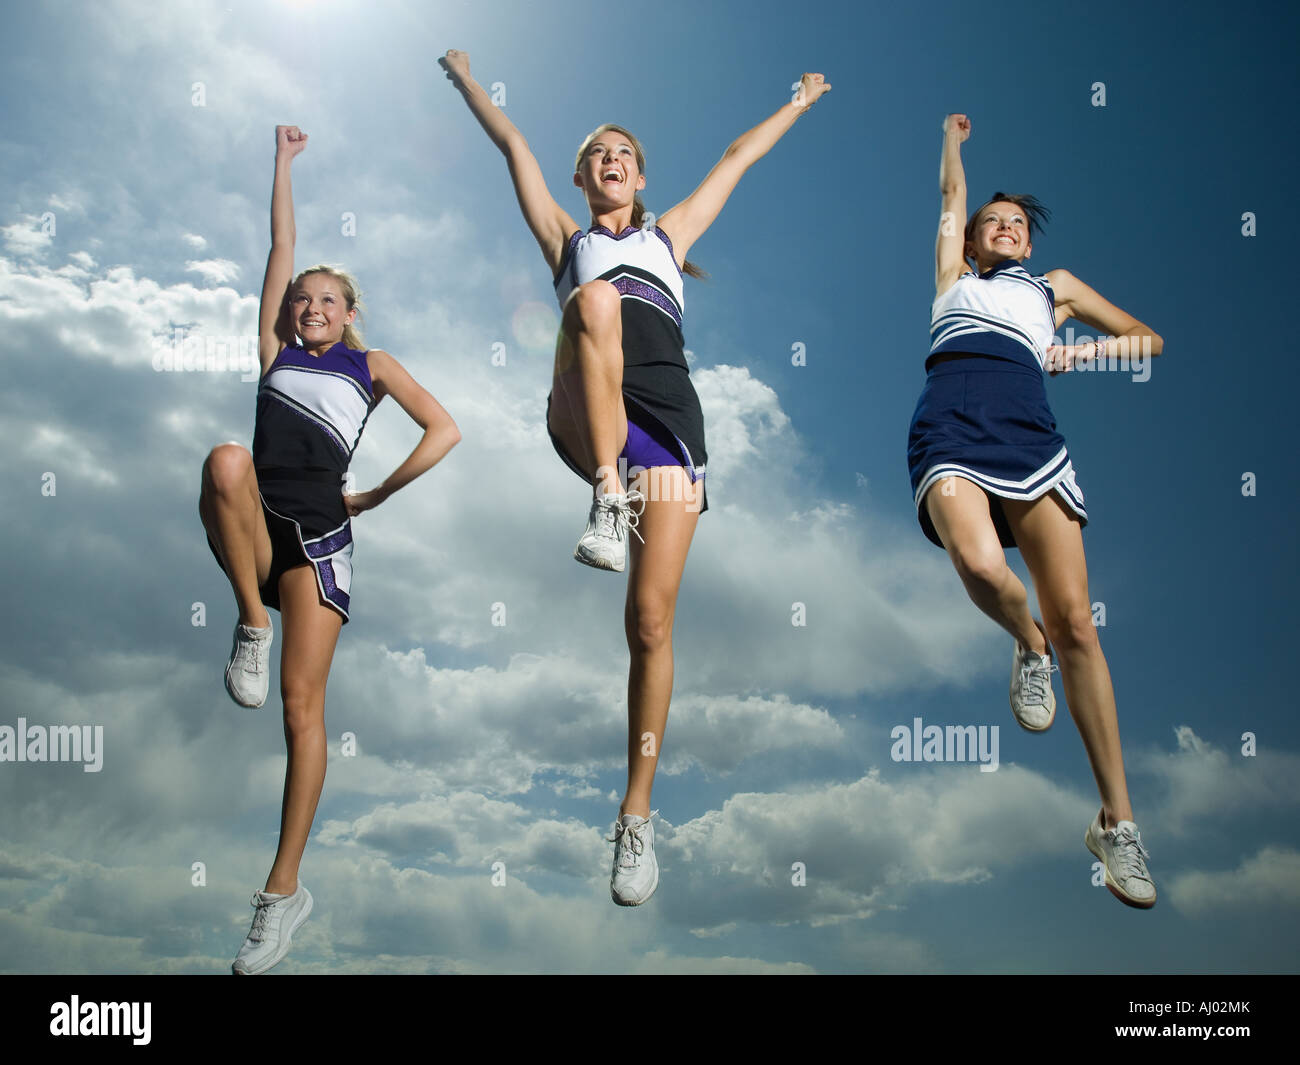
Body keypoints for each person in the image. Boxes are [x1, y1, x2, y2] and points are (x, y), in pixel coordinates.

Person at [440, 49, 829, 905]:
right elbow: (514, 148)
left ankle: (636, 816)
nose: (610, 161)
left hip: (671, 423)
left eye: (623, 153)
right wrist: (469, 79)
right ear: (582, 177)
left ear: (640, 174)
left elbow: (736, 159)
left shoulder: (667, 236)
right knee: (596, 302)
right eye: (596, 155)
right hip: (587, 415)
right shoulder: (566, 242)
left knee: (650, 624)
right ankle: (607, 493)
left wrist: (798, 101)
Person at [199, 125, 461, 972]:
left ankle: (281, 894)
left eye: (327, 301)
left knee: (300, 711)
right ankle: (249, 620)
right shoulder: (273, 351)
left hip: (320, 539)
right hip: (256, 525)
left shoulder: (369, 364)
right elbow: (280, 242)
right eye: (301, 299)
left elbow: (445, 428)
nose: (310, 308)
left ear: (349, 314)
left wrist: (378, 491)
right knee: (226, 460)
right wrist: (280, 161)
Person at [908, 113, 1164, 908]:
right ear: (975, 240)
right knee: (982, 566)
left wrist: (1082, 350)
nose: (1007, 228)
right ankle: (1026, 643)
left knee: (1080, 624)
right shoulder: (953, 277)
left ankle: (1117, 823)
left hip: (1031, 436)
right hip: (950, 423)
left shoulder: (1057, 290)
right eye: (995, 222)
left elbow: (1147, 340)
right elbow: (951, 190)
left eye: (1017, 222)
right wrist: (954, 140)